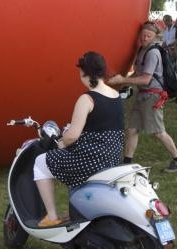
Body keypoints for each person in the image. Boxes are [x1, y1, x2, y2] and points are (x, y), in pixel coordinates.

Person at [33, 52, 124, 227]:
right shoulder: (115, 95)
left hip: (90, 161)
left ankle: (51, 217)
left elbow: (72, 136)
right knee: (64, 158)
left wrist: (59, 143)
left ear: (85, 73)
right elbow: (102, 128)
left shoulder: (87, 98)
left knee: (40, 163)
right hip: (111, 159)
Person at [108, 22, 177, 173]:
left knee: (158, 132)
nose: (144, 38)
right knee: (132, 129)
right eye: (143, 35)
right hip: (143, 95)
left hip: (152, 97)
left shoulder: (152, 53)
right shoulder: (142, 50)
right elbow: (138, 73)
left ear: (154, 37)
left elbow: (145, 79)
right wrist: (123, 80)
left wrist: (122, 80)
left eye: (148, 36)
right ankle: (126, 163)